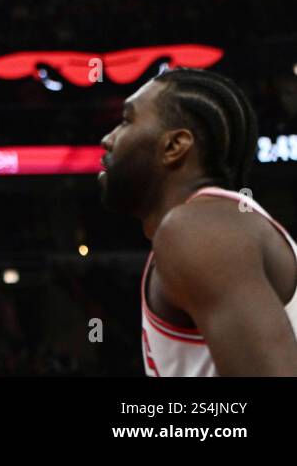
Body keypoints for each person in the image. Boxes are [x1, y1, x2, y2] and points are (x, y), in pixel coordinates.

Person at [98, 67, 297, 375]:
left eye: (126, 121)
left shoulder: (197, 229)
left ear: (174, 146)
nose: (107, 139)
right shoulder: (216, 222)